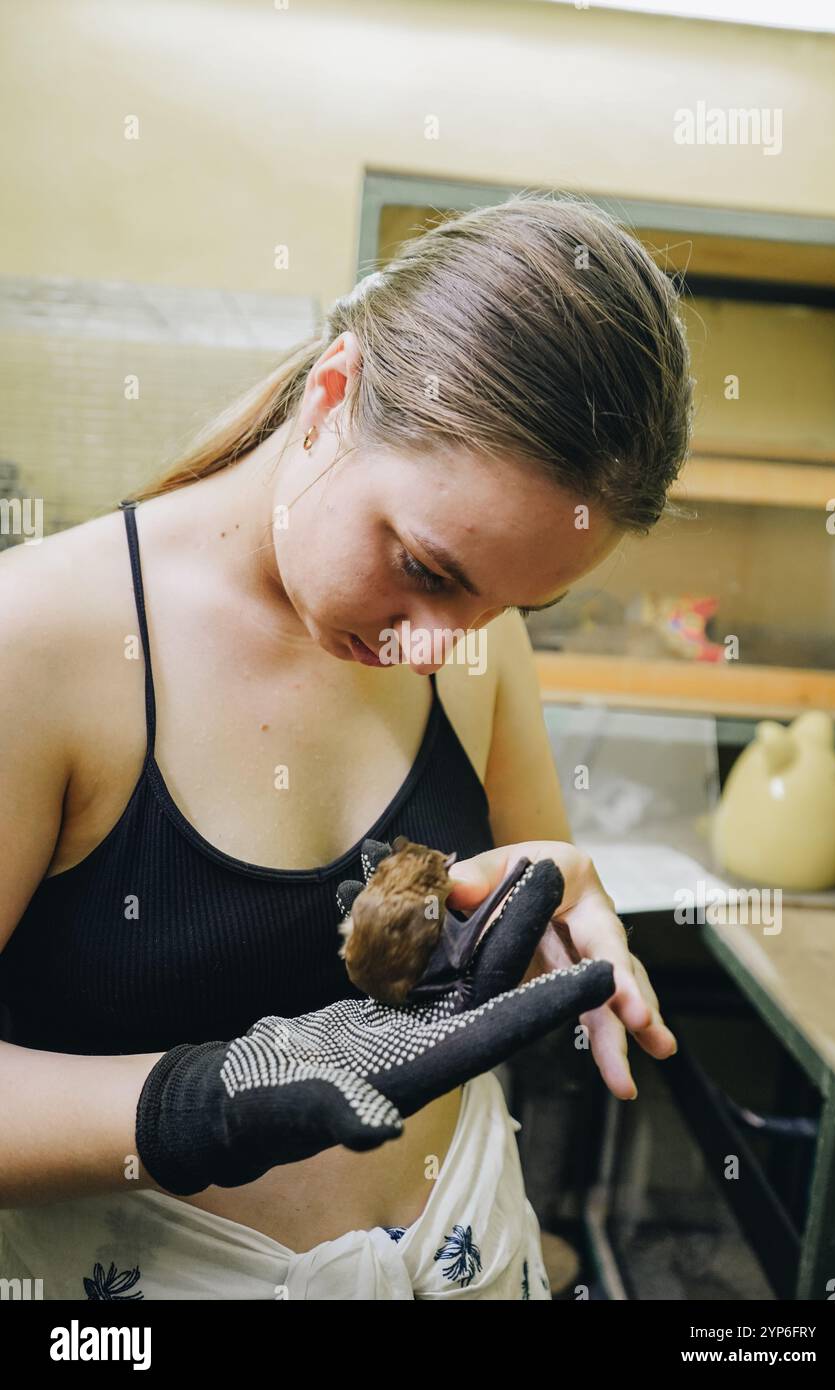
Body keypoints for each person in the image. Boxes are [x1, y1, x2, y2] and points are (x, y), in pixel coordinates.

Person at [0, 191, 689, 1299]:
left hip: (467, 1252)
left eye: (517, 606)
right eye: (426, 568)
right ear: (332, 394)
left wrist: (560, 894)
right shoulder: (39, 642)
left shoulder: (474, 631)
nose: (439, 648)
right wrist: (188, 1106)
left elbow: (522, 894)